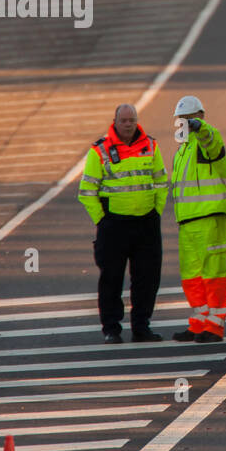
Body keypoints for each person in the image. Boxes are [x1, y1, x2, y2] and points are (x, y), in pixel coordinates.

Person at [77, 104, 167, 344]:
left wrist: (156, 212)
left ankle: (141, 327)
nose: (128, 124)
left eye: (132, 120)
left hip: (146, 223)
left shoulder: (150, 146)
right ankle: (111, 329)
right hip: (113, 226)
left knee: (147, 279)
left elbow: (161, 182)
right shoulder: (100, 150)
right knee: (111, 279)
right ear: (115, 122)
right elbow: (86, 191)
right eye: (124, 120)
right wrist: (102, 220)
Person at [170, 95, 226, 343]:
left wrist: (200, 128)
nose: (185, 123)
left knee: (213, 273)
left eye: (191, 118)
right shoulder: (181, 150)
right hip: (187, 221)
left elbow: (211, 140)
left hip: (210, 216)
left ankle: (215, 326)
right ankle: (199, 323)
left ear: (201, 117)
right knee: (191, 275)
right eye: (182, 119)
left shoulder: (208, 140)